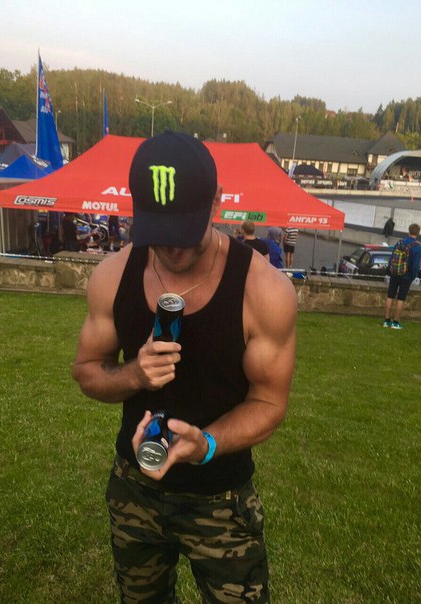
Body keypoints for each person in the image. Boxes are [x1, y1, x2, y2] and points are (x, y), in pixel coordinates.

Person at [73, 131, 297, 603]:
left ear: (217, 202)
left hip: (220, 497)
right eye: (159, 230)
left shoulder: (264, 290)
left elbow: (269, 401)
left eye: (185, 229)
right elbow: (86, 369)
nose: (172, 248)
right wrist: (133, 374)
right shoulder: (113, 275)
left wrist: (206, 443)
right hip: (135, 488)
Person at [383, 223, 421, 329]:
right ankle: (396, 322)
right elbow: (415, 266)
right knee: (401, 298)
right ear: (418, 233)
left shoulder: (400, 242)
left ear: (409, 231)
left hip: (395, 272)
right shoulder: (418, 247)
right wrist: (412, 276)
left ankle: (386, 321)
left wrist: (390, 270)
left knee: (390, 296)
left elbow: (392, 257)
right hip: (406, 275)